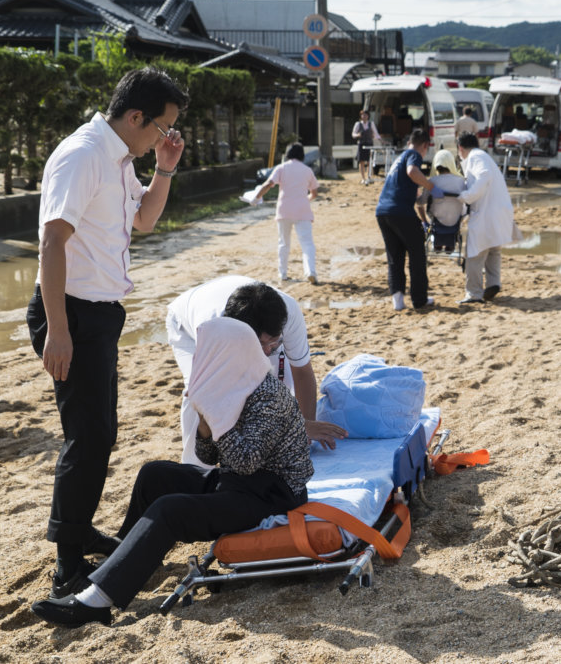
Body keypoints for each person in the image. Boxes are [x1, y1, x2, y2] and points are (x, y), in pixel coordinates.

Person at [30, 316, 313, 627]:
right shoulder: (238, 382)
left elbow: (246, 460)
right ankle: (119, 565)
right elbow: (209, 456)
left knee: (170, 510)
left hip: (272, 497)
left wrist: (215, 419)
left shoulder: (268, 395)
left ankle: (95, 602)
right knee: (155, 475)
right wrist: (205, 425)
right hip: (240, 483)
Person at [24, 67, 188, 602]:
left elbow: (142, 221)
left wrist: (164, 169)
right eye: (162, 129)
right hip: (69, 312)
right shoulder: (83, 154)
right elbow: (52, 243)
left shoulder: (120, 157)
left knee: (100, 433)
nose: (163, 138)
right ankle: (68, 563)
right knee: (88, 437)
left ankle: (76, 533)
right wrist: (59, 330)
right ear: (135, 116)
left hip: (99, 313)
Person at [166, 275, 346, 465]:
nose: (267, 350)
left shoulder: (289, 312)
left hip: (242, 301)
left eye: (273, 341)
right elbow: (216, 394)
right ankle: (194, 465)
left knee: (276, 379)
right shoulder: (215, 328)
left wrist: (304, 430)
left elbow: (301, 372)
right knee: (199, 393)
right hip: (185, 322)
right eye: (260, 344)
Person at [375, 128, 442, 311]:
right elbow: (413, 172)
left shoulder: (399, 158)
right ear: (425, 145)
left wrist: (424, 220)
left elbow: (418, 199)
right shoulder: (413, 155)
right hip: (400, 212)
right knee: (417, 254)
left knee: (395, 256)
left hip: (382, 213)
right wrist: (431, 185)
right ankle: (419, 299)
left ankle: (397, 299)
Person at [455, 132, 516, 304]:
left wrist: (467, 195)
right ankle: (493, 284)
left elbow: (484, 176)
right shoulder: (483, 156)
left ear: (460, 148)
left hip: (487, 214)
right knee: (493, 249)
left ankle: (473, 293)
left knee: (474, 253)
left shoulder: (476, 157)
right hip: (499, 212)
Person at [250, 143, 319, 284]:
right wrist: (305, 200)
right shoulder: (307, 170)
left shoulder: (281, 168)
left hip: (284, 209)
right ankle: (310, 271)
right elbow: (314, 193)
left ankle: (283, 274)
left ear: (287, 154)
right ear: (302, 155)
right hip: (302, 210)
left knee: (283, 243)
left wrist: (256, 198)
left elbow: (268, 184)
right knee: (307, 243)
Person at [421, 149, 466, 253]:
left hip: (437, 221)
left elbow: (421, 202)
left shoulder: (432, 181)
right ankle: (450, 244)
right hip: (455, 220)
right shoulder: (461, 181)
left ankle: (437, 243)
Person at [352, 110, 381, 185]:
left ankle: (369, 177)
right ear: (360, 116)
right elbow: (353, 134)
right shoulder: (358, 124)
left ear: (368, 116)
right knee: (361, 161)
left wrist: (380, 140)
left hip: (369, 144)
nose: (364, 116)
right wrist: (357, 135)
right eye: (362, 115)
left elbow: (376, 133)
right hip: (361, 144)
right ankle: (363, 178)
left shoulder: (371, 124)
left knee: (369, 161)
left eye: (365, 115)